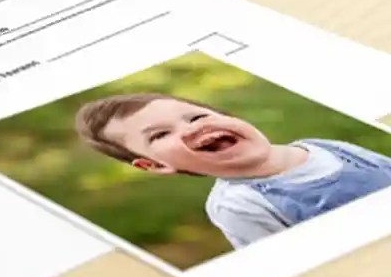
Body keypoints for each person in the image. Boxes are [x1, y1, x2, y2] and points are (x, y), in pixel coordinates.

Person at [74, 93, 391, 249]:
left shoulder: (324, 147)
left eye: (196, 117)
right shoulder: (238, 205)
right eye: (160, 135)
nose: (191, 129)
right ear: (155, 165)